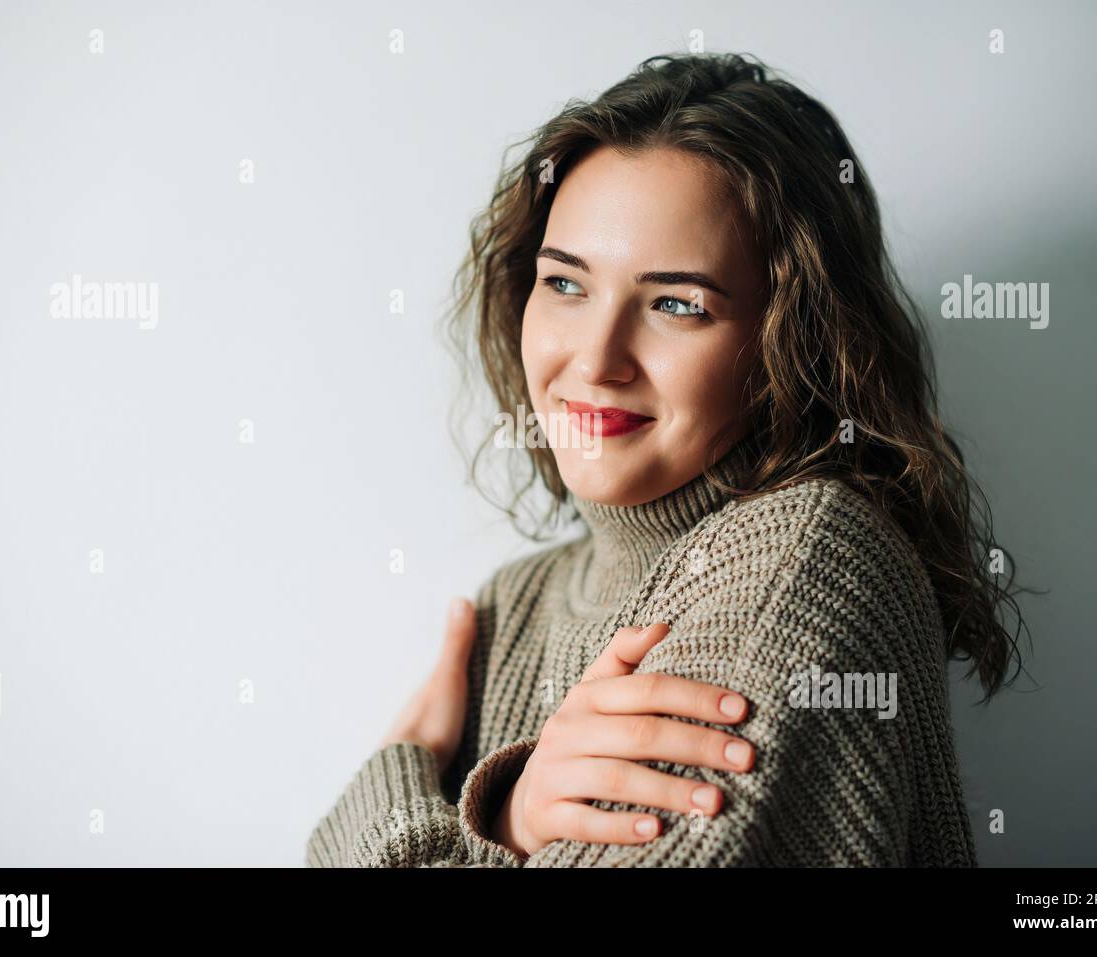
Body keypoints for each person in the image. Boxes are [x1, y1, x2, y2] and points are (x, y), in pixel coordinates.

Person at [306, 52, 1027, 867]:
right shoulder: (513, 605)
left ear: (794, 339)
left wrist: (396, 799)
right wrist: (510, 823)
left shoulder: (801, 566)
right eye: (566, 284)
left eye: (677, 304)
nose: (597, 358)